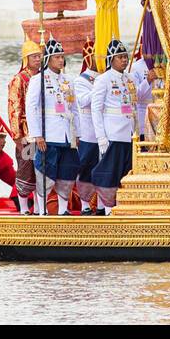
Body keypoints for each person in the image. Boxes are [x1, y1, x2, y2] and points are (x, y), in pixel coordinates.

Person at [25, 37, 81, 215]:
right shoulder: (38, 80)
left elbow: (74, 109)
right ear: (48, 59)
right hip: (48, 134)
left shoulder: (68, 80)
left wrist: (77, 134)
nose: (61, 60)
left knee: (67, 172)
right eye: (57, 57)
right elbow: (31, 108)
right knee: (45, 172)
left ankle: (63, 210)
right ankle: (42, 211)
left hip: (66, 134)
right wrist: (37, 135)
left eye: (62, 56)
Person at [92, 39, 135, 210]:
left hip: (129, 133)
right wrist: (101, 137)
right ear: (112, 59)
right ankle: (109, 210)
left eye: (125, 56)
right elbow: (96, 109)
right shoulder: (104, 80)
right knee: (110, 173)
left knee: (126, 173)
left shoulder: (129, 78)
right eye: (120, 57)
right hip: (113, 133)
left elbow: (135, 102)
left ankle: (124, 208)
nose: (124, 60)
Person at [8, 39, 42, 214]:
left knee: (40, 168)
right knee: (26, 167)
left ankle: (38, 207)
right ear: (26, 59)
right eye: (34, 56)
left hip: (42, 131)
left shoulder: (43, 78)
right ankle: (23, 208)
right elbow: (14, 107)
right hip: (26, 132)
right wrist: (17, 135)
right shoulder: (19, 80)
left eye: (39, 56)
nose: (38, 59)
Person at [71, 40, 104, 214]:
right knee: (86, 168)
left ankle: (100, 204)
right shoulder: (81, 80)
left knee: (102, 167)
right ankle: (84, 204)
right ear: (89, 57)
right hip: (88, 131)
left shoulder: (104, 77)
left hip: (103, 129)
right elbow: (83, 101)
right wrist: (99, 88)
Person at [128, 52, 158, 135]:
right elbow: (135, 95)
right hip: (143, 115)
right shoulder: (136, 67)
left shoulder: (162, 64)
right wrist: (148, 80)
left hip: (160, 115)